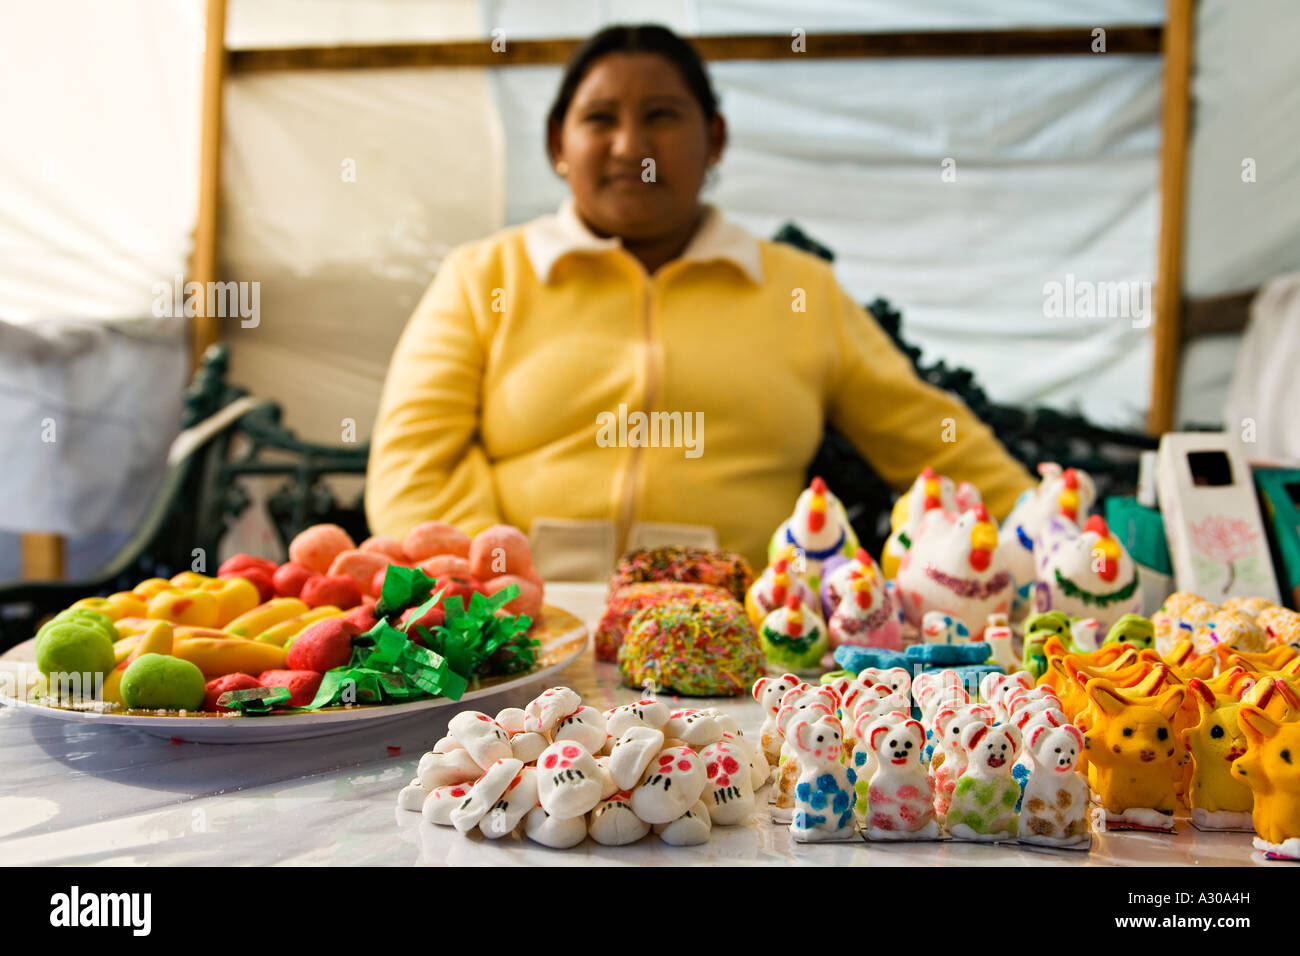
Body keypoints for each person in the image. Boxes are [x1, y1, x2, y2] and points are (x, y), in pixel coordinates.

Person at [366, 24, 1033, 576]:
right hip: (528, 628)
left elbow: (931, 440)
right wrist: (500, 587)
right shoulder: (484, 276)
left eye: (662, 116)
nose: (631, 146)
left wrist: (1047, 529)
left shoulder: (801, 289)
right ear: (557, 144)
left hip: (746, 629)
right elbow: (412, 470)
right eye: (599, 119)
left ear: (713, 139)